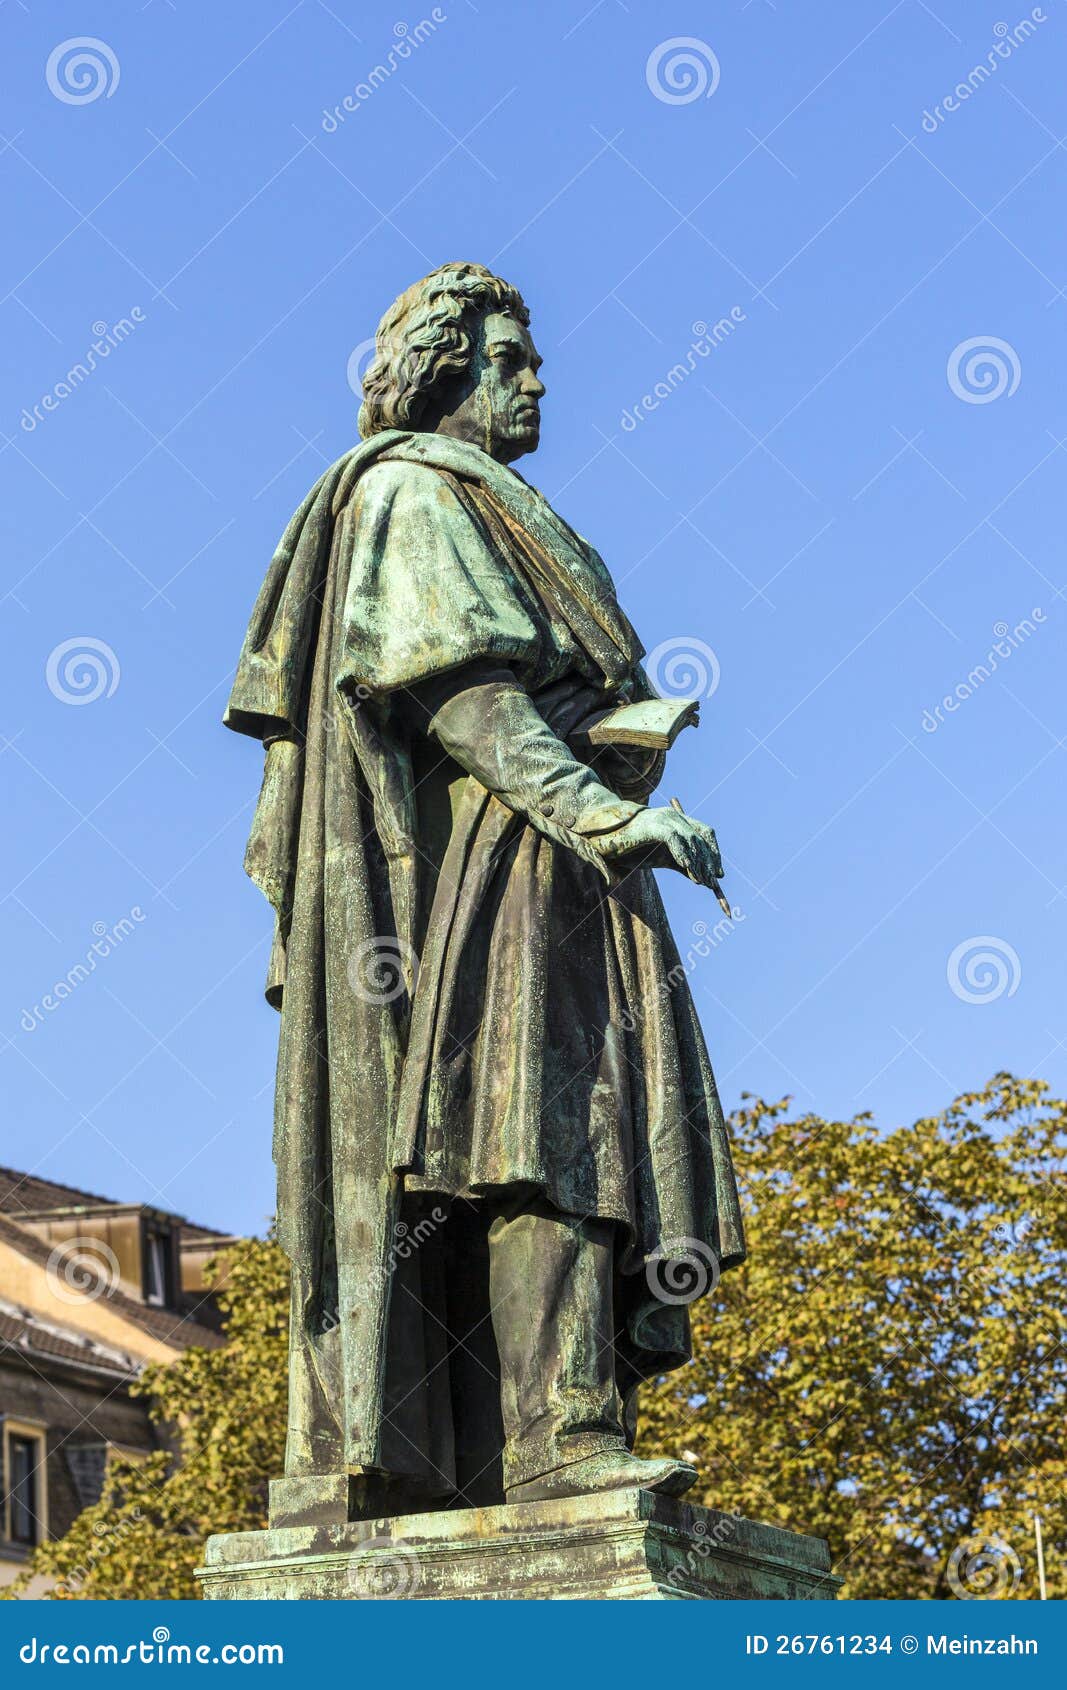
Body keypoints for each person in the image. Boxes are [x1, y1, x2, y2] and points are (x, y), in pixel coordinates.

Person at [225, 262, 745, 1519]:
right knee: (540, 1137)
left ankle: (566, 1431)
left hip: (562, 858)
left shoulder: (494, 501)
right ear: (448, 367)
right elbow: (465, 696)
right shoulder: (408, 490)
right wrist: (603, 809)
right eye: (511, 358)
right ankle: (559, 1439)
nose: (537, 377)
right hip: (508, 861)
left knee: (583, 1134)